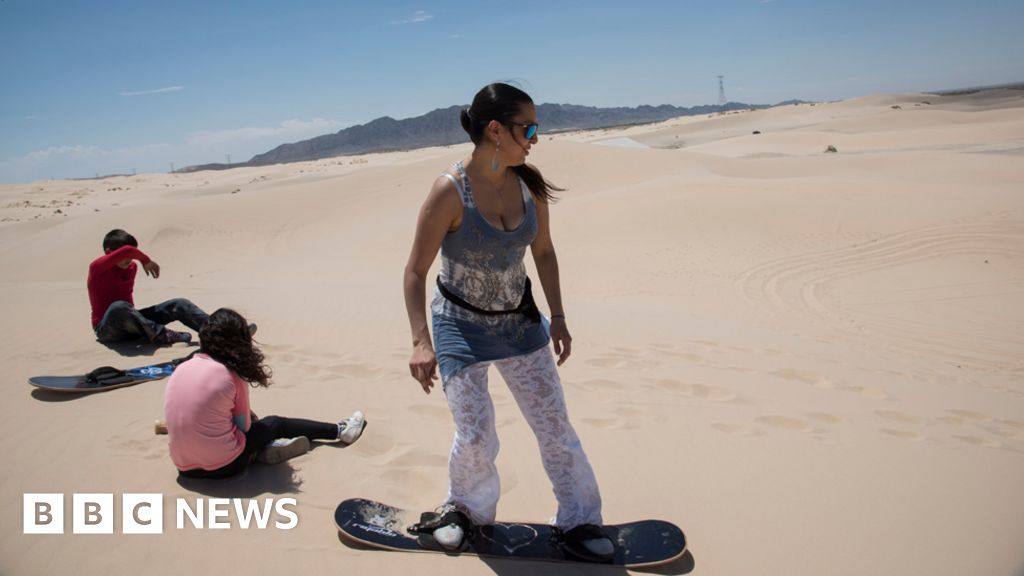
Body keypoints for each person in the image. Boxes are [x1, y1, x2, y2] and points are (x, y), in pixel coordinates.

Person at [403, 83, 614, 562]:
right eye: (529, 129)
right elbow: (415, 271)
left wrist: (558, 317)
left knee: (554, 426)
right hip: (460, 326)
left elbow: (544, 252)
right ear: (496, 130)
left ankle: (579, 520)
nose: (536, 138)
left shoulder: (529, 185)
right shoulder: (450, 191)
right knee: (477, 433)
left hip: (520, 323)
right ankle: (464, 511)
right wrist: (420, 340)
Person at [164, 308, 366, 479]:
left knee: (232, 429)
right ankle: (340, 431)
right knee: (275, 424)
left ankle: (262, 451)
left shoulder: (181, 368)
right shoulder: (231, 376)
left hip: (184, 469)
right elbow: (244, 427)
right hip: (225, 467)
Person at [87, 229, 209, 345]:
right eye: (124, 256)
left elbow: (128, 251)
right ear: (109, 253)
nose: (129, 259)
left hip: (133, 325)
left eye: (132, 256)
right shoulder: (97, 269)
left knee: (179, 304)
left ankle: (216, 332)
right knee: (119, 306)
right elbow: (128, 250)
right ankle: (162, 334)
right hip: (106, 330)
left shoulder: (132, 267)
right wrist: (145, 260)